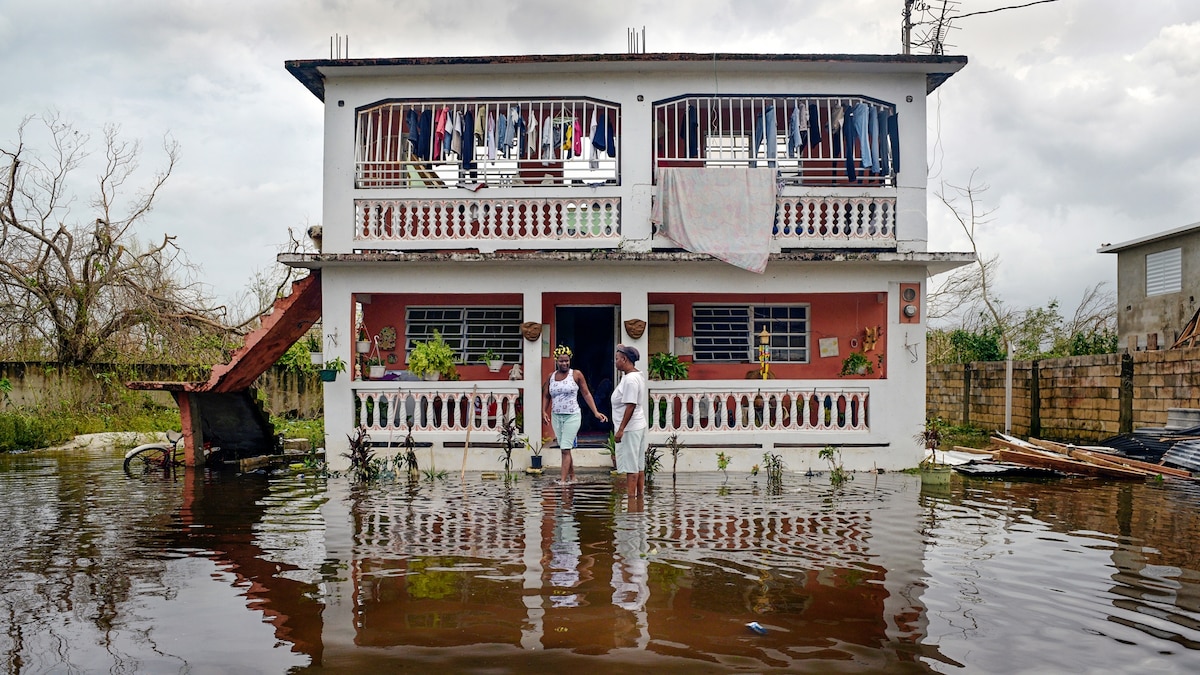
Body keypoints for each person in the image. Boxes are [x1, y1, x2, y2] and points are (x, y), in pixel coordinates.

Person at [542, 345, 607, 483]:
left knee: (565, 448)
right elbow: (547, 395)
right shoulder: (551, 377)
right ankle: (573, 478)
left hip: (572, 415)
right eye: (561, 361)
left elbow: (586, 393)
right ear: (556, 361)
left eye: (566, 360)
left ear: (570, 360)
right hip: (556, 416)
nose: (564, 363)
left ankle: (563, 481)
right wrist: (543, 411)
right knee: (565, 448)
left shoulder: (576, 374)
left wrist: (595, 412)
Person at [611, 344, 647, 498]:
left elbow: (630, 405)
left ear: (624, 359)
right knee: (638, 465)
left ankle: (632, 501)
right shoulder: (633, 376)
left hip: (630, 428)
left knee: (632, 467)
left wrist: (620, 429)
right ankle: (639, 500)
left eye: (617, 359)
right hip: (637, 425)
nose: (615, 361)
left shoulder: (631, 380)